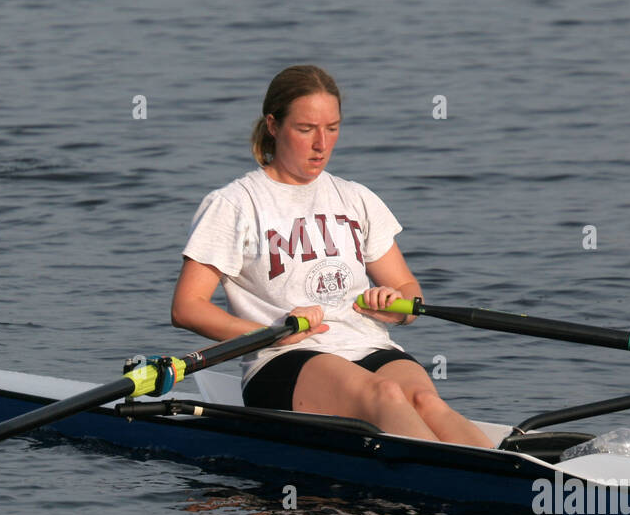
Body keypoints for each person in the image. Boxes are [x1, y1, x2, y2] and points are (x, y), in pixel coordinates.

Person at [171, 65, 495, 449]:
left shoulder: (356, 197)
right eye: (306, 129)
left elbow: (409, 293)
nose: (321, 144)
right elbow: (187, 308)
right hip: (285, 358)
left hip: (368, 346)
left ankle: (503, 474)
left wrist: (396, 306)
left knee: (426, 400)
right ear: (273, 125)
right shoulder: (235, 204)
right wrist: (270, 333)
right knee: (387, 396)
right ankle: (460, 481)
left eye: (333, 128)